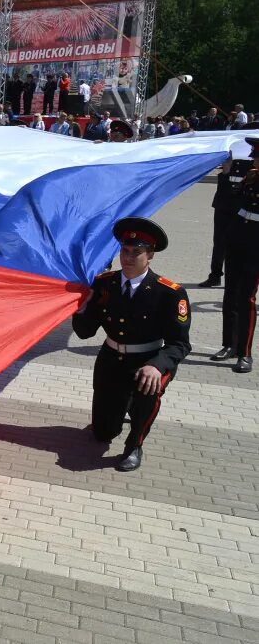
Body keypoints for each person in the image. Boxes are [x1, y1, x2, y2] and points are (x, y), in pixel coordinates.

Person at [72, 218, 191, 471]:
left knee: (149, 388)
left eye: (136, 252)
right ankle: (122, 406)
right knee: (102, 434)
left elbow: (179, 344)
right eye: (125, 251)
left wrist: (157, 366)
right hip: (111, 360)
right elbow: (84, 333)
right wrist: (81, 309)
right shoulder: (104, 283)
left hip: (146, 361)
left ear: (150, 256)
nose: (128, 257)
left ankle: (135, 444)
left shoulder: (170, 293)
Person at [216, 138, 259, 373]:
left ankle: (245, 353)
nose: (253, 160)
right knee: (230, 294)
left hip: (256, 244)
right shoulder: (250, 177)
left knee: (247, 298)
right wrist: (226, 174)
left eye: (257, 157)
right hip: (237, 238)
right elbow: (228, 200)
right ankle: (228, 344)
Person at [202, 147, 251, 288]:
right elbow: (223, 183)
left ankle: (237, 277)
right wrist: (226, 169)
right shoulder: (231, 156)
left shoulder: (253, 161)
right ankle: (215, 275)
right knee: (219, 242)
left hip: (243, 207)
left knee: (239, 244)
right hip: (223, 205)